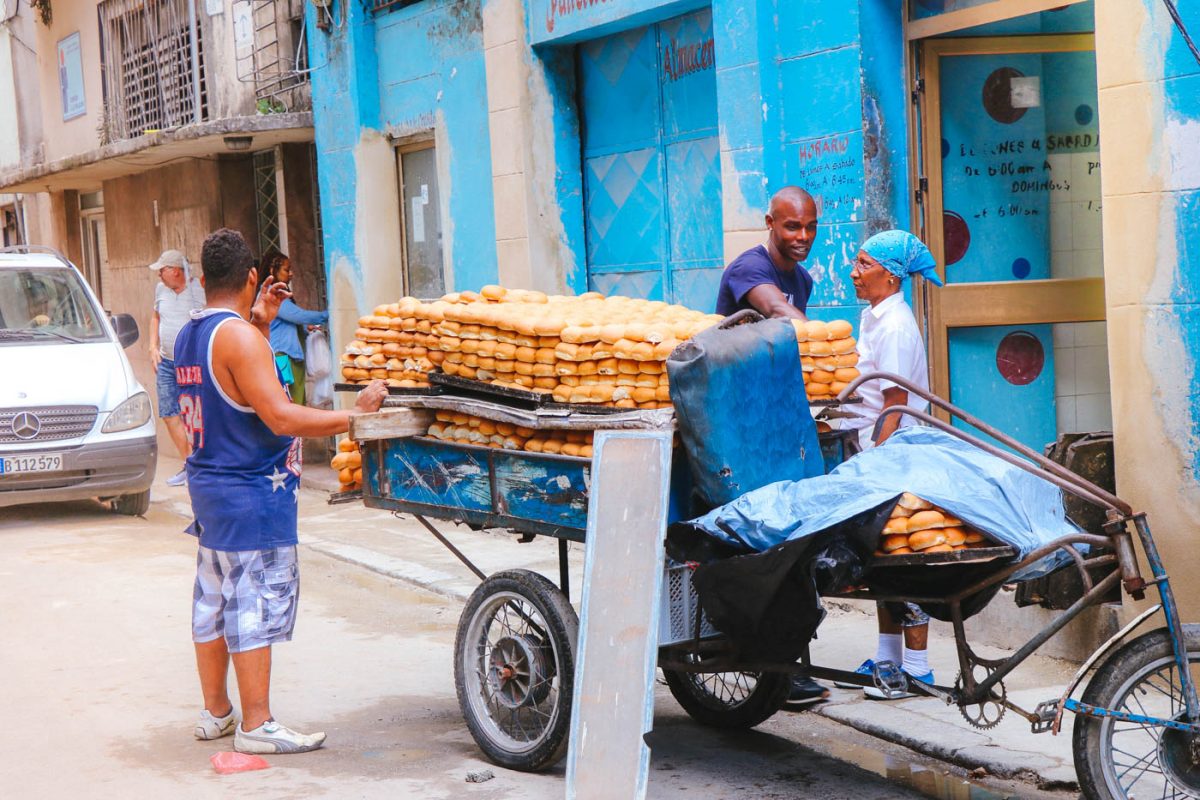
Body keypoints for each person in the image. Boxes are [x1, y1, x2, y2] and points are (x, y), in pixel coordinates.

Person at [174, 228, 387, 753]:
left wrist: (263, 323)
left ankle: (217, 713)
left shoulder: (191, 333)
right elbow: (279, 415)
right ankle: (257, 724)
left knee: (213, 602)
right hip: (250, 493)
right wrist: (354, 417)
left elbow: (234, 387)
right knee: (252, 605)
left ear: (202, 280)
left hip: (211, 489)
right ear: (252, 276)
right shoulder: (239, 338)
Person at [836, 229, 944, 700]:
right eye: (857, 262)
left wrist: (875, 463)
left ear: (892, 276)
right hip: (874, 448)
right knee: (879, 562)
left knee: (903, 560)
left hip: (894, 453)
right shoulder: (874, 316)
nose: (854, 272)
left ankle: (917, 669)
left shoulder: (896, 325)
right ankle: (887, 660)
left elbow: (895, 405)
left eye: (865, 265)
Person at [148, 249, 206, 487]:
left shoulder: (199, 291)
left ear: (175, 271)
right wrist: (152, 346)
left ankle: (200, 465)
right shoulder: (160, 290)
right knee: (168, 412)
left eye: (162, 270)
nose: (159, 275)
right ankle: (189, 463)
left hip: (191, 362)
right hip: (166, 362)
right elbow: (155, 317)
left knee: (196, 414)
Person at [715, 186, 818, 319]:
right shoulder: (749, 266)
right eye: (793, 227)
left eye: (811, 227)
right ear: (770, 222)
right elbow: (776, 309)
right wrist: (814, 332)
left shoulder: (803, 280)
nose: (804, 236)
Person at [258, 249, 328, 406]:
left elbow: (288, 323)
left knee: (297, 402)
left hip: (288, 357)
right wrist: (329, 314)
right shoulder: (272, 295)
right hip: (284, 358)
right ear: (272, 270)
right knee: (292, 404)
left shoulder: (277, 294)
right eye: (286, 270)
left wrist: (305, 328)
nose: (291, 274)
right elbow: (297, 315)